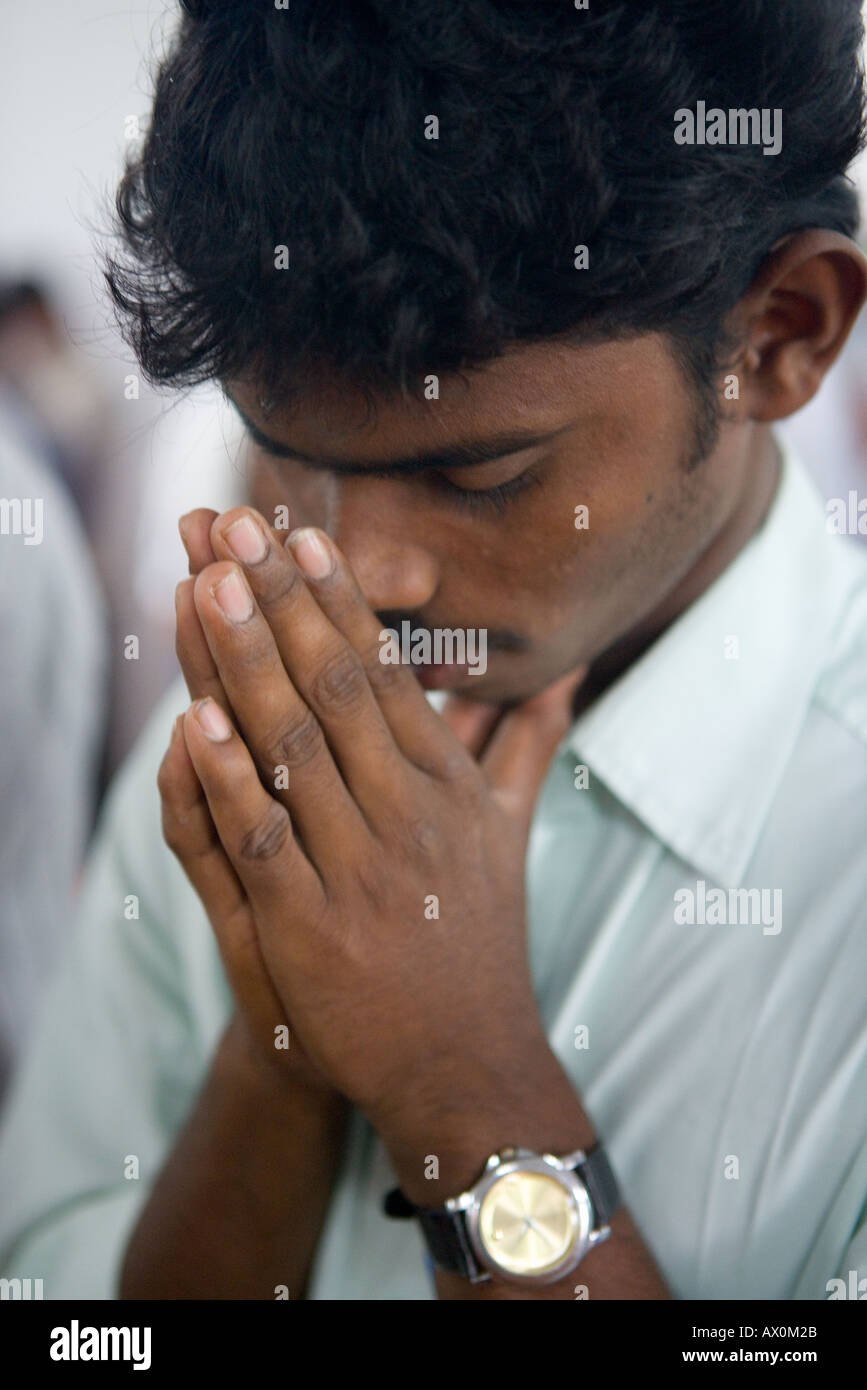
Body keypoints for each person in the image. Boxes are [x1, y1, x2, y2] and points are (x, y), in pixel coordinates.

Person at [0, 0, 866, 1301]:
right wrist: (281, 1059)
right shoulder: (248, 757)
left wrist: (455, 1079)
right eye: (281, 449)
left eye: (481, 471)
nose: (357, 567)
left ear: (781, 334)